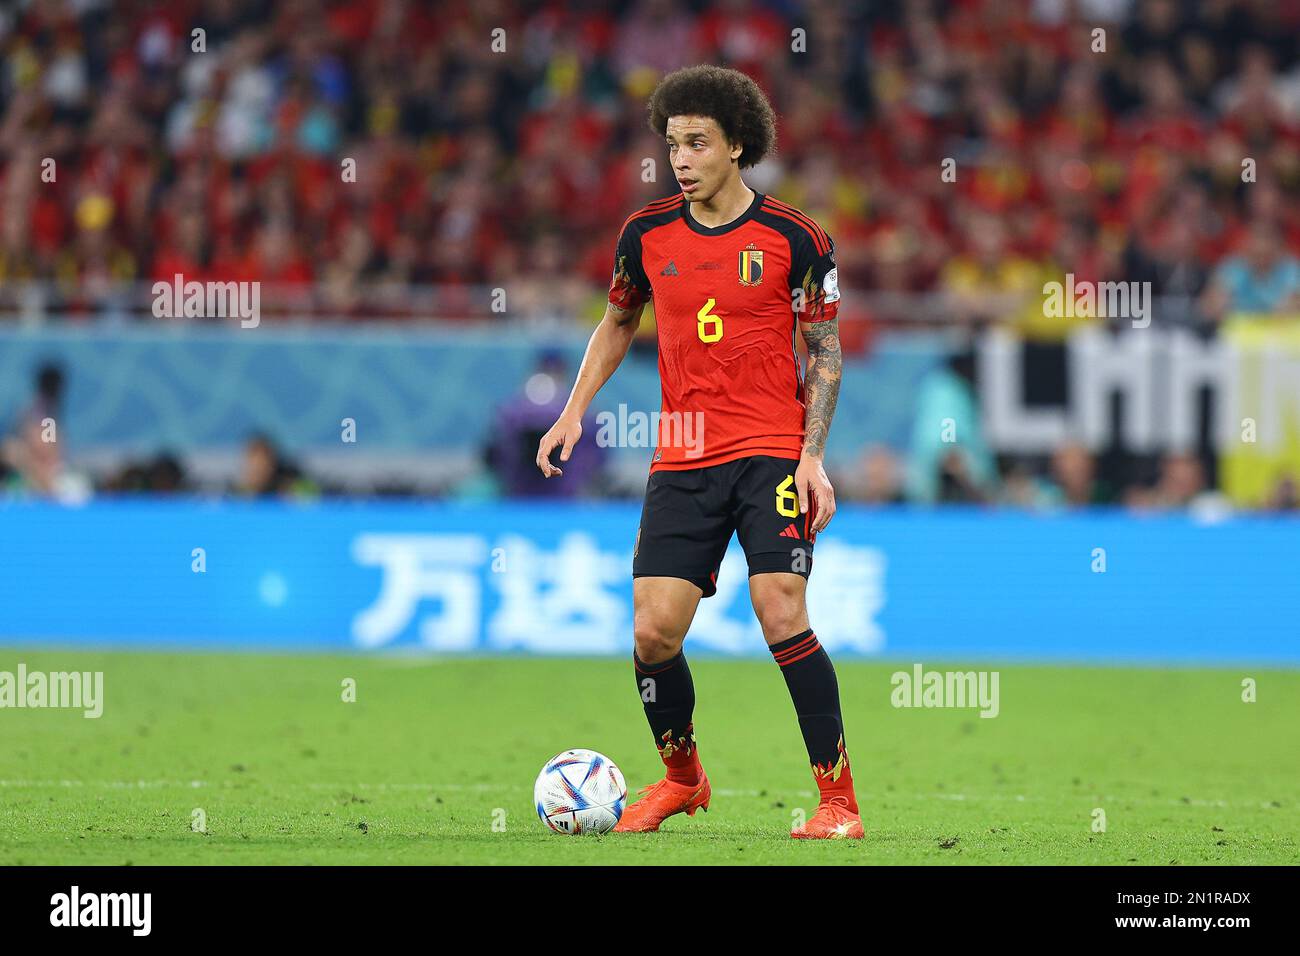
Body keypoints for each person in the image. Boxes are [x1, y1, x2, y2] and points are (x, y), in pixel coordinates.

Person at [535, 66, 862, 840]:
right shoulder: (644, 235)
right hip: (682, 451)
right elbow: (616, 324)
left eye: (697, 143)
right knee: (653, 631)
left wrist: (812, 458)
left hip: (772, 449)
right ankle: (682, 778)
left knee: (779, 606)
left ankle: (838, 801)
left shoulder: (795, 237)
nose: (680, 159)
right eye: (672, 144)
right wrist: (574, 411)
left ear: (737, 146)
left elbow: (825, 352)